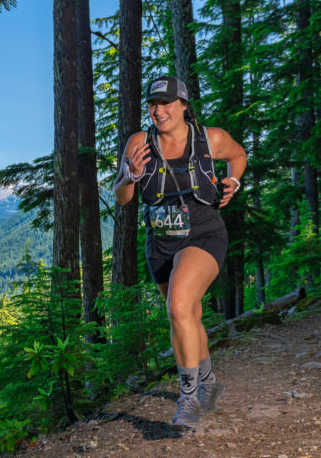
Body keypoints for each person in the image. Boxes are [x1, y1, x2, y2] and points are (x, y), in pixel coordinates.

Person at [113, 76, 247, 429]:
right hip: (160, 241)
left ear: (184, 105)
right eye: (153, 104)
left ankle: (188, 397)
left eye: (166, 103)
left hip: (203, 234)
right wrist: (130, 175)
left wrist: (234, 180)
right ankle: (209, 383)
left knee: (177, 306)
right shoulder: (139, 143)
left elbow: (238, 155)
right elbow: (122, 197)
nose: (159, 111)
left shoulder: (209, 138)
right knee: (187, 314)